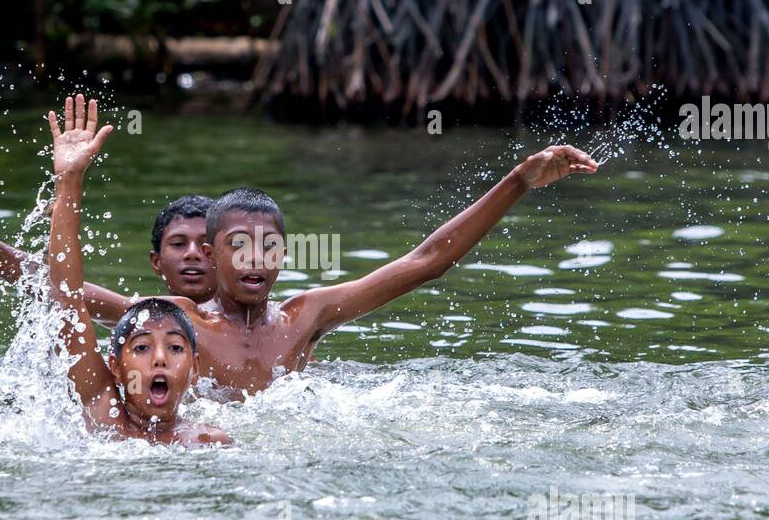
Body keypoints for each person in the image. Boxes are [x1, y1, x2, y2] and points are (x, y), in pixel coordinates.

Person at [159, 150, 599, 394]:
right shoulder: (179, 320)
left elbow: (427, 263)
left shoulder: (305, 316)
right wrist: (82, 177)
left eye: (268, 246)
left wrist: (518, 181)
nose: (255, 258)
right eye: (238, 245)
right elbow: (86, 305)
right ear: (211, 255)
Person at [44, 95, 229, 446]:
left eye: (175, 349)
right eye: (142, 349)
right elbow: (66, 297)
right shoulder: (101, 409)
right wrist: (69, 181)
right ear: (115, 367)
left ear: (195, 371)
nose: (159, 359)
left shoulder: (209, 441)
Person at [0, 186, 216, 324]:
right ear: (155, 262)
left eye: (205, 245)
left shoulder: (263, 320)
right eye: (177, 244)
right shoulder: (144, 319)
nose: (192, 255)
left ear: (225, 256)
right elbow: (55, 287)